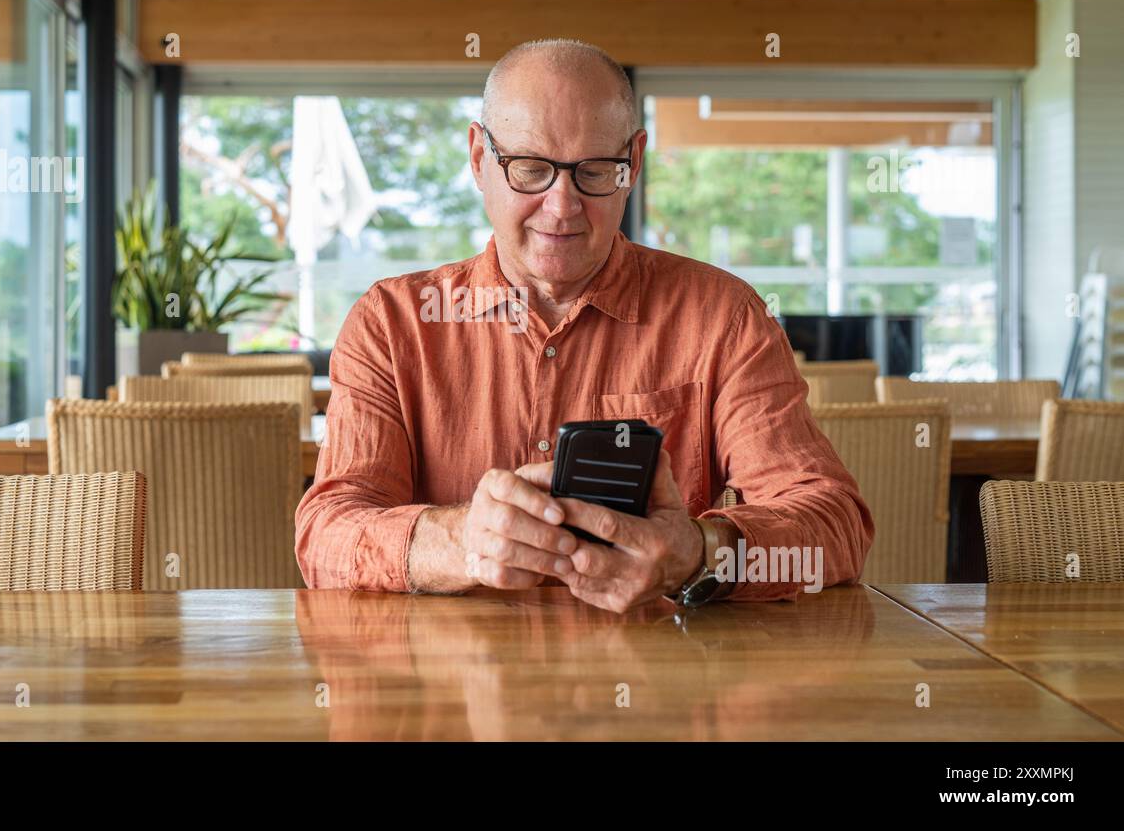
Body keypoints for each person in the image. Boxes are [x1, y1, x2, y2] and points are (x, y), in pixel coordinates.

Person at [295, 38, 873, 611]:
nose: (562, 205)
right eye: (529, 169)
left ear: (634, 164)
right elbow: (326, 535)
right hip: (453, 691)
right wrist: (461, 541)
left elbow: (835, 526)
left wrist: (698, 552)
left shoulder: (723, 317)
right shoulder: (391, 325)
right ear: (479, 160)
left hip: (662, 683)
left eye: (595, 172)